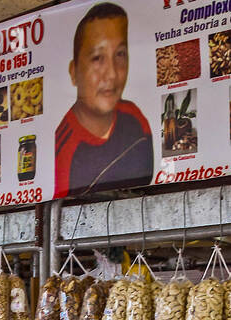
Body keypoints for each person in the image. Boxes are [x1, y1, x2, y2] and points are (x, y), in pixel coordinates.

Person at [54, 2, 154, 196]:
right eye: (97, 58)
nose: (111, 74)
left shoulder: (135, 118)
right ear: (74, 72)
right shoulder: (63, 149)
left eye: (120, 54)